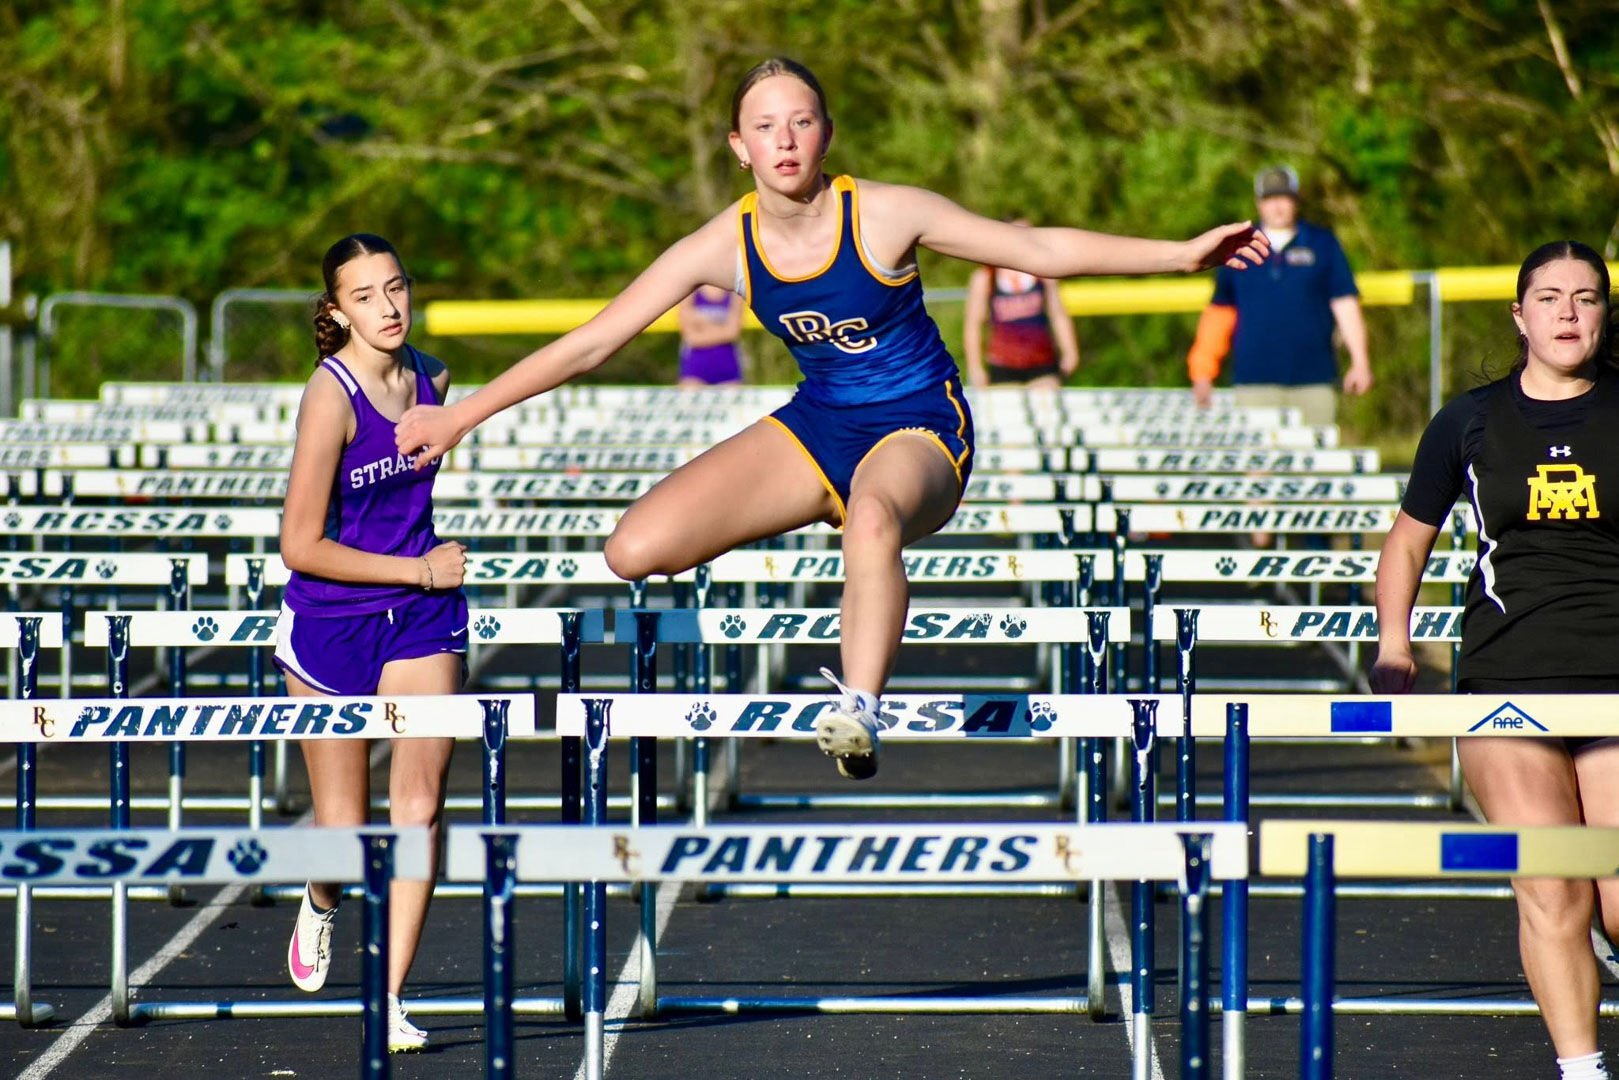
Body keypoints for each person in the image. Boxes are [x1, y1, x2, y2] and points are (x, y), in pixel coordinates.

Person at [396, 56, 1266, 781]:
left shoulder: (885, 211)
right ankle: (838, 532)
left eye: (800, 122)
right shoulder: (722, 244)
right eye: (765, 127)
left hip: (919, 424)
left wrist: (1180, 254)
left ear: (825, 135)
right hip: (819, 426)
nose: (784, 140)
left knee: (873, 518)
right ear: (738, 147)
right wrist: (463, 415)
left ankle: (858, 706)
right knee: (633, 550)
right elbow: (593, 342)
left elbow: (1037, 251)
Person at [1372, 241, 1619, 1080]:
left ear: (1603, 315)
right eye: (1548, 298)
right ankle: (1580, 1070)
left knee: (1615, 898)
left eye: (1585, 298)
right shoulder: (1468, 421)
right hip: (1506, 681)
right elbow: (1406, 543)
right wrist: (1395, 645)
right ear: (1519, 316)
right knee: (1552, 884)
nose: (1567, 313)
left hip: (1613, 684)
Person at [275, 233, 470, 1053]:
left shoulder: (435, 379)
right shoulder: (330, 396)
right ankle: (322, 897)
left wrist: (424, 580)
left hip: (421, 619)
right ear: (337, 311)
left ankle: (385, 998)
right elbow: (299, 545)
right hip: (331, 619)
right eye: (365, 296)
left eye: (396, 288)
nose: (388, 308)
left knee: (419, 808)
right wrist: (418, 569)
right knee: (345, 832)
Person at [1186, 165, 1372, 424]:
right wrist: (1203, 371)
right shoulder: (1238, 246)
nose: (1277, 206)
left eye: (1284, 197)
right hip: (1254, 382)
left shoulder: (1323, 244)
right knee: (1258, 450)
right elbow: (1220, 313)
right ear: (1259, 202)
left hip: (1314, 380)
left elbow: (1345, 303)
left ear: (1296, 200)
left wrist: (1360, 362)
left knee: (1316, 449)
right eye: (1270, 198)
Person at [963, 219, 1081, 390]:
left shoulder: (1044, 273)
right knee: (1009, 406)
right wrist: (975, 366)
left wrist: (1070, 352)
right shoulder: (986, 277)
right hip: (1003, 363)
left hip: (1042, 361)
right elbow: (973, 324)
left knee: (1046, 405)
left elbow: (1058, 314)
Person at [677, 284, 746, 387]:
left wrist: (702, 322)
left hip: (728, 366)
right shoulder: (690, 291)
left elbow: (732, 333)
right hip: (695, 369)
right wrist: (722, 328)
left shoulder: (734, 291)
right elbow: (691, 337)